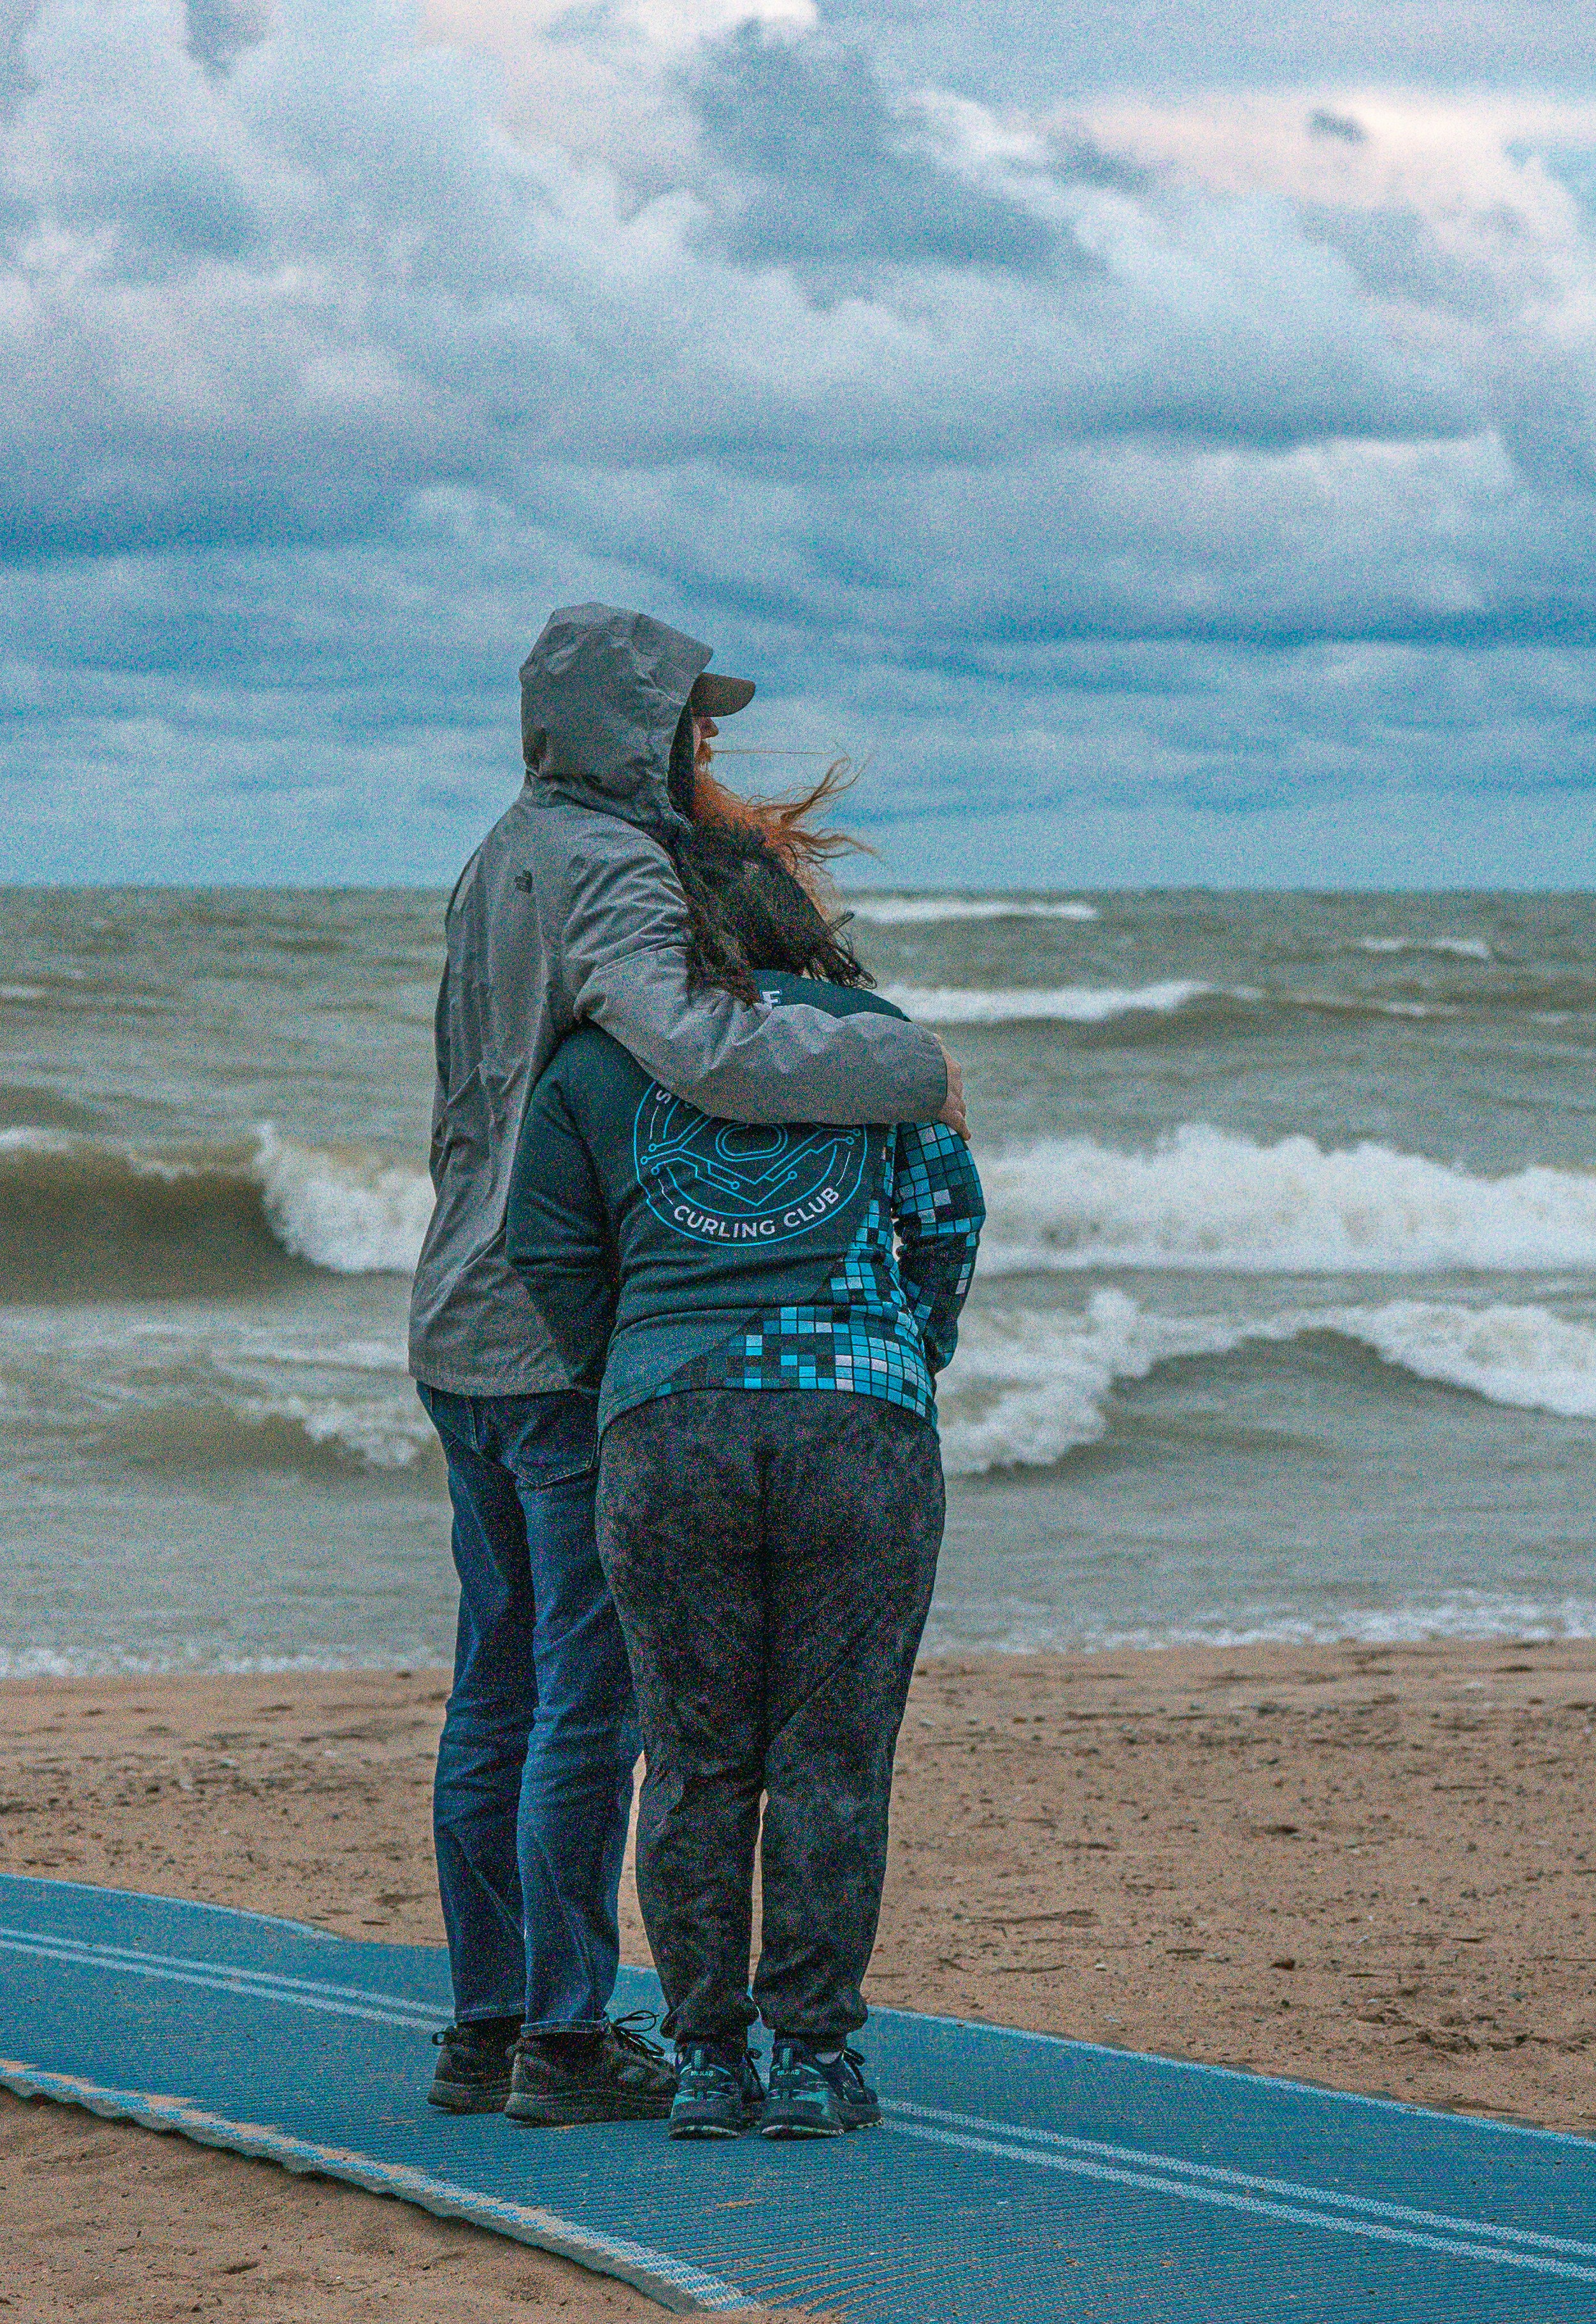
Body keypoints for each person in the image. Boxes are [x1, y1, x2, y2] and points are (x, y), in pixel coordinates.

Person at [410, 603, 963, 2129]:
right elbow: (702, 1049)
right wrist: (906, 1066)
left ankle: (489, 2021)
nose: (708, 744)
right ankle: (569, 2044)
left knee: (496, 1691)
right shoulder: (605, 866)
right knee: (591, 1704)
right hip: (551, 1332)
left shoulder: (499, 853)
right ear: (634, 730)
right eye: (688, 721)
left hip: (457, 1312)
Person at [502, 811, 981, 2142]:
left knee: (697, 1761)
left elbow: (542, 1245)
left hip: (667, 1433)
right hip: (859, 1429)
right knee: (833, 1755)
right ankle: (817, 2059)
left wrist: (635, 1369)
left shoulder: (593, 1068)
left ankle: (709, 2057)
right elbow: (947, 1218)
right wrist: (908, 1355)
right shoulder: (874, 1038)